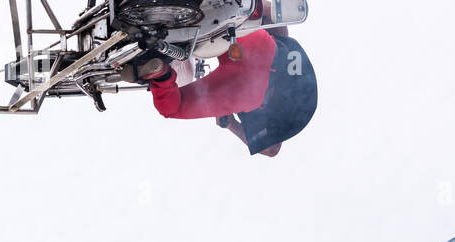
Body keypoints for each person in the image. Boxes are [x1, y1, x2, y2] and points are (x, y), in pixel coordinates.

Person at [126, 26, 316, 156]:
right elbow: (272, 150)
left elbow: (277, 23)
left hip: (263, 46)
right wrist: (231, 124)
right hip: (251, 90)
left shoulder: (297, 68)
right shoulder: (284, 118)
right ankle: (161, 74)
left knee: (213, 26)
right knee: (175, 107)